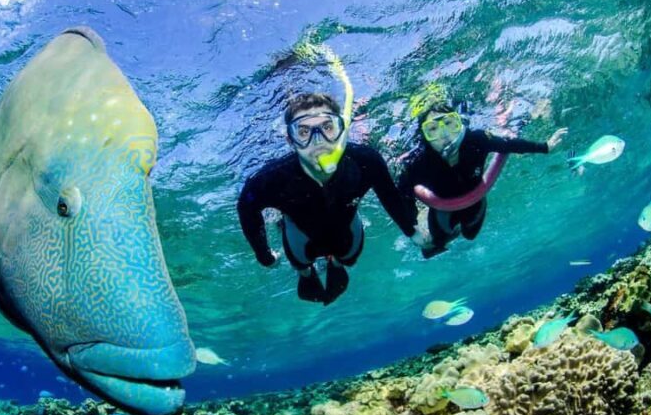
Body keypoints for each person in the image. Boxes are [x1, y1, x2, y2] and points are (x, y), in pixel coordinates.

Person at [237, 93, 415, 305]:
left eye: (327, 127)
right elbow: (246, 208)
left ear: (341, 130)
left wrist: (411, 230)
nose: (318, 141)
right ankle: (306, 275)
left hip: (346, 233)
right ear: (291, 140)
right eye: (304, 131)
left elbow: (389, 194)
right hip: (300, 236)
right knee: (302, 265)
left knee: (348, 258)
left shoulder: (365, 161)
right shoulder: (271, 180)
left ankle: (335, 265)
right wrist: (264, 255)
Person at [397, 85, 568, 258]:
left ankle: (456, 234)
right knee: (436, 243)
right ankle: (438, 242)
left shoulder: (477, 140)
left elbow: (508, 144)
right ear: (424, 135)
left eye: (449, 123)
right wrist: (412, 227)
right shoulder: (418, 162)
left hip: (475, 201)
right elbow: (402, 194)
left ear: (459, 123)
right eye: (433, 129)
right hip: (442, 208)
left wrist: (546, 146)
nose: (444, 134)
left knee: (470, 235)